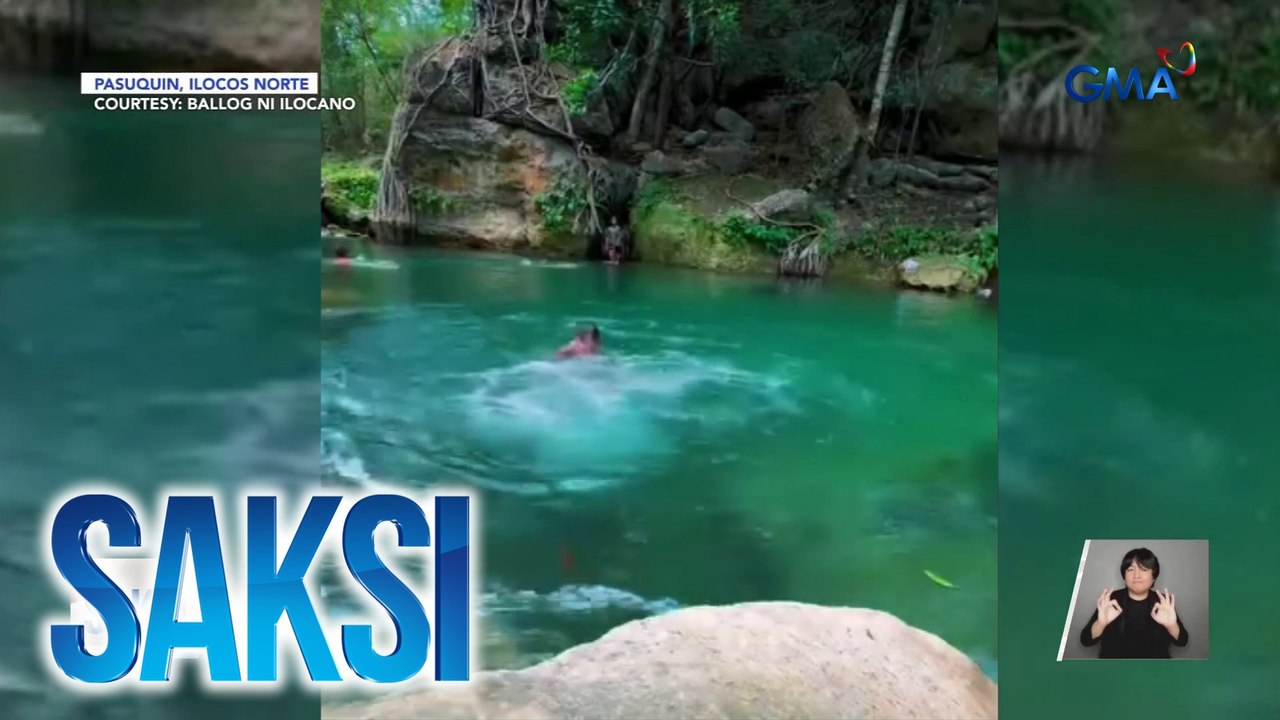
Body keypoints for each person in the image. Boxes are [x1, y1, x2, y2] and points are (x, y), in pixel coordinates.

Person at [1079, 548, 1189, 658]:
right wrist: (1101, 624)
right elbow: (1085, 640)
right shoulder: (1111, 600)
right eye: (1130, 569)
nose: (1136, 575)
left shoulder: (1163, 602)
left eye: (1144, 569)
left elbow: (1182, 641)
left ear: (1154, 577)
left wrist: (1172, 626)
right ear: (1124, 577)